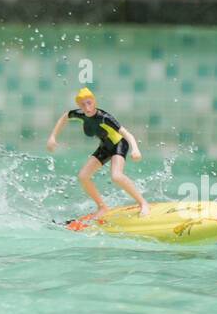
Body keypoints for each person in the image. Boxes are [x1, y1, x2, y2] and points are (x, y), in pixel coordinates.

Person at [47, 88, 150, 218]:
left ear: (94, 102)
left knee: (116, 176)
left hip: (119, 144)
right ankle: (102, 207)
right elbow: (64, 117)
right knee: (83, 176)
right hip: (105, 146)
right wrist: (52, 137)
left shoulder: (104, 118)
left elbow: (126, 133)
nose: (87, 107)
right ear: (79, 106)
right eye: (83, 104)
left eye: (89, 103)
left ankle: (143, 203)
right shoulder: (80, 114)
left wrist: (135, 149)